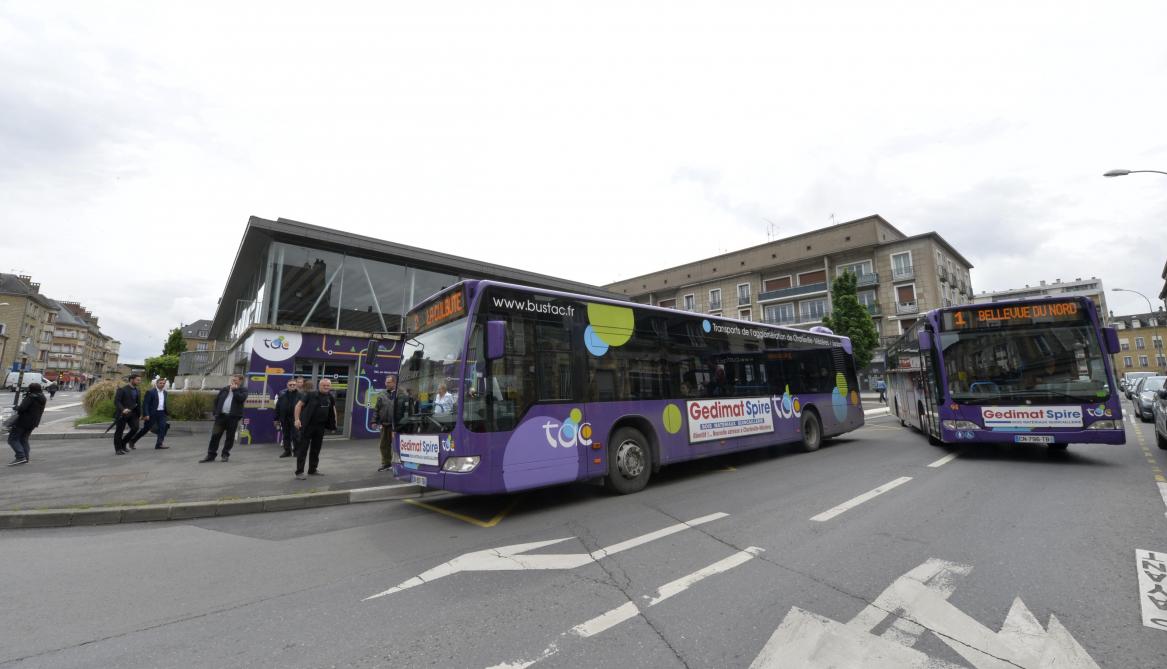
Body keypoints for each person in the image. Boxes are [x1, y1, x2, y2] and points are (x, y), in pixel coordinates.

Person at [293, 378, 337, 480]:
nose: (326, 387)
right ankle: (299, 472)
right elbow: (298, 406)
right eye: (324, 385)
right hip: (307, 426)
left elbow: (333, 410)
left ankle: (312, 470)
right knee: (303, 450)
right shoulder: (310, 394)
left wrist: (334, 423)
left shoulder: (330, 397)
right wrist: (297, 420)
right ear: (319, 386)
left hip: (320, 427)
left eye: (328, 386)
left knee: (316, 449)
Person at [200, 375, 248, 463]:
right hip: (221, 417)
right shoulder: (225, 389)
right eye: (232, 380)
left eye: (235, 380)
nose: (233, 381)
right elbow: (216, 400)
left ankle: (225, 455)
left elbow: (241, 399)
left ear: (240, 381)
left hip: (232, 418)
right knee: (215, 436)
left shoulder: (243, 390)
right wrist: (215, 412)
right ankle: (211, 455)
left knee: (230, 437)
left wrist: (235, 390)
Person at [373, 375, 407, 472]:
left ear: (394, 383)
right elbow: (377, 409)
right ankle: (386, 464)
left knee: (399, 445)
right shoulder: (382, 394)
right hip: (385, 424)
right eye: (386, 382)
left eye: (388, 382)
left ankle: (403, 464)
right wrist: (374, 421)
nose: (386, 384)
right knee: (384, 445)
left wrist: (403, 423)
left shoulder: (401, 394)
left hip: (397, 426)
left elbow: (406, 409)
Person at [7, 382, 46, 466]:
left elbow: (22, 409)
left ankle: (21, 457)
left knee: (12, 439)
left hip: (23, 421)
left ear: (31, 389)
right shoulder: (42, 397)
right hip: (33, 422)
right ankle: (25, 458)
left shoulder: (30, 397)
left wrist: (15, 407)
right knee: (23, 439)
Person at [113, 374, 143, 455]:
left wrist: (140, 414)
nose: (139, 381)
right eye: (137, 380)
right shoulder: (122, 389)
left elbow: (138, 403)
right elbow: (117, 401)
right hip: (122, 414)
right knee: (119, 432)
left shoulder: (137, 390)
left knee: (135, 428)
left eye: (139, 380)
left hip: (133, 414)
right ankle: (118, 449)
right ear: (131, 380)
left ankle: (123, 443)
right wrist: (123, 409)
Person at [273, 377, 302, 458]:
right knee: (286, 435)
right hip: (284, 419)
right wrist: (276, 419)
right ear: (287, 385)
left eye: (294, 384)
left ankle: (296, 451)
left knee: (296, 435)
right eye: (290, 385)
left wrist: (301, 419)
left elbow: (304, 408)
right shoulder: (282, 395)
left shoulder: (301, 395)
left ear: (296, 385)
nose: (292, 386)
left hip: (295, 419)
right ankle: (287, 451)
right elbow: (278, 407)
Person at [141, 377, 171, 449]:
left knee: (163, 427)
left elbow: (163, 403)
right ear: (156, 384)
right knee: (145, 429)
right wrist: (146, 414)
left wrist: (166, 412)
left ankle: (159, 444)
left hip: (162, 413)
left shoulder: (165, 392)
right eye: (160, 383)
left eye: (164, 383)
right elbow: (146, 404)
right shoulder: (150, 392)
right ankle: (133, 440)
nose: (162, 384)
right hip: (152, 413)